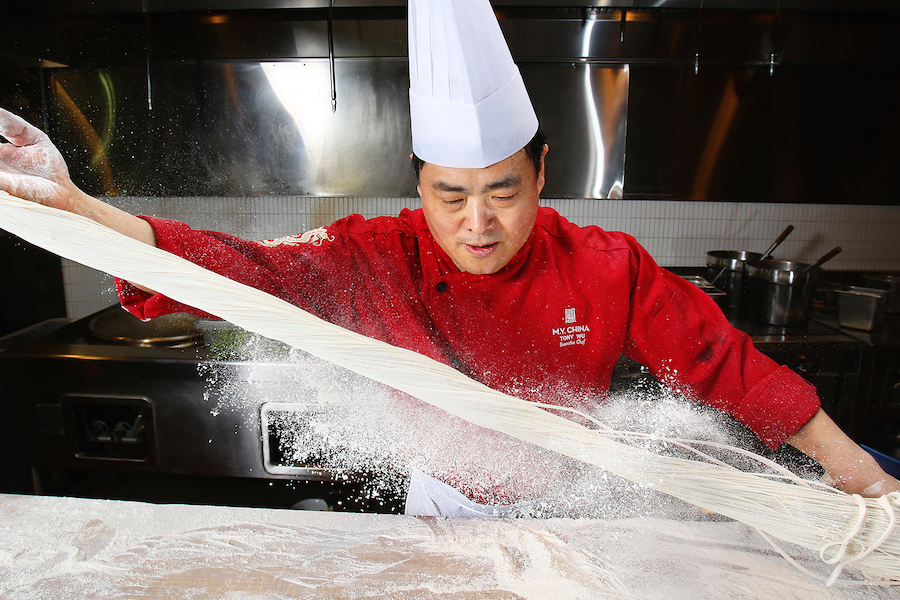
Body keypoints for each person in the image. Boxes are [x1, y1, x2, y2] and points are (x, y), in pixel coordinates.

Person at [1, 0, 898, 515]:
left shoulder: (607, 265)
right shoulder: (369, 258)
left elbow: (715, 357)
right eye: (449, 195)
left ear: (544, 172)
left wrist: (846, 461)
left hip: (570, 504)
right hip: (442, 510)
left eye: (503, 191)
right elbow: (235, 271)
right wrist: (76, 204)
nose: (477, 225)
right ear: (416, 185)